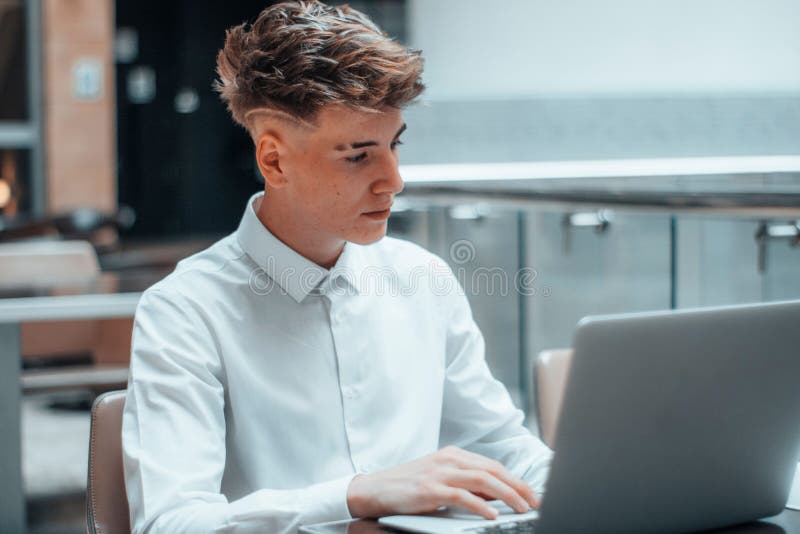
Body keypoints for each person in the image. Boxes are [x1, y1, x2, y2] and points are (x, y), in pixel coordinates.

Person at [121, 1, 552, 532]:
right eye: (358, 155)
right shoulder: (183, 313)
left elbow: (502, 446)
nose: (393, 181)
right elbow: (171, 524)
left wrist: (581, 487)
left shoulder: (426, 281)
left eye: (395, 146)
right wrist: (355, 496)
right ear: (274, 161)